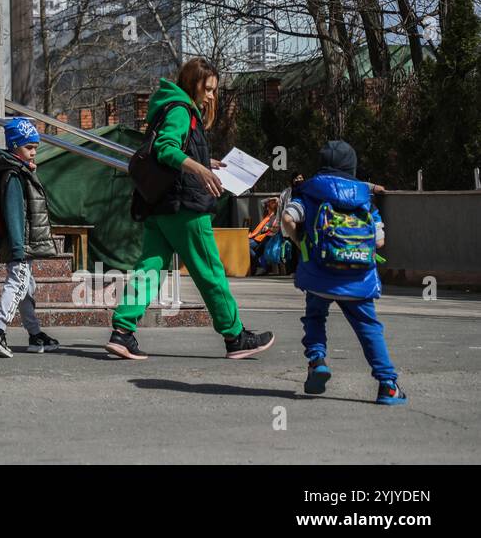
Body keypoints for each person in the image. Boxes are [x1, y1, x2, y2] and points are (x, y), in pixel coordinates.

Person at [107, 57, 275, 360]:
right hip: (184, 206)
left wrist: (204, 161)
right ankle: (235, 336)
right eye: (207, 89)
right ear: (191, 84)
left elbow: (170, 151)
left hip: (159, 204)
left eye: (213, 90)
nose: (211, 96)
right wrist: (199, 170)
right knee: (210, 271)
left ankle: (122, 332)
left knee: (150, 268)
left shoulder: (168, 107)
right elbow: (165, 148)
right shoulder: (182, 110)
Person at [280, 140, 406, 405]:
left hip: (318, 275)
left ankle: (317, 362)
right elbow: (379, 240)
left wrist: (300, 243)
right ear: (352, 167)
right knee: (369, 328)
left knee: (315, 317)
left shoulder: (308, 191)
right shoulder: (363, 197)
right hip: (358, 277)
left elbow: (288, 220)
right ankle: (388, 386)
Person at [0, 117, 61, 357]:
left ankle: (35, 334)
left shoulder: (18, 171)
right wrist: (17, 248)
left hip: (21, 242)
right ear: (14, 146)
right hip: (19, 243)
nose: (34, 152)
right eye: (29, 147)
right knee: (18, 283)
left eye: (35, 147)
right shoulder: (13, 176)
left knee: (26, 287)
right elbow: (15, 214)